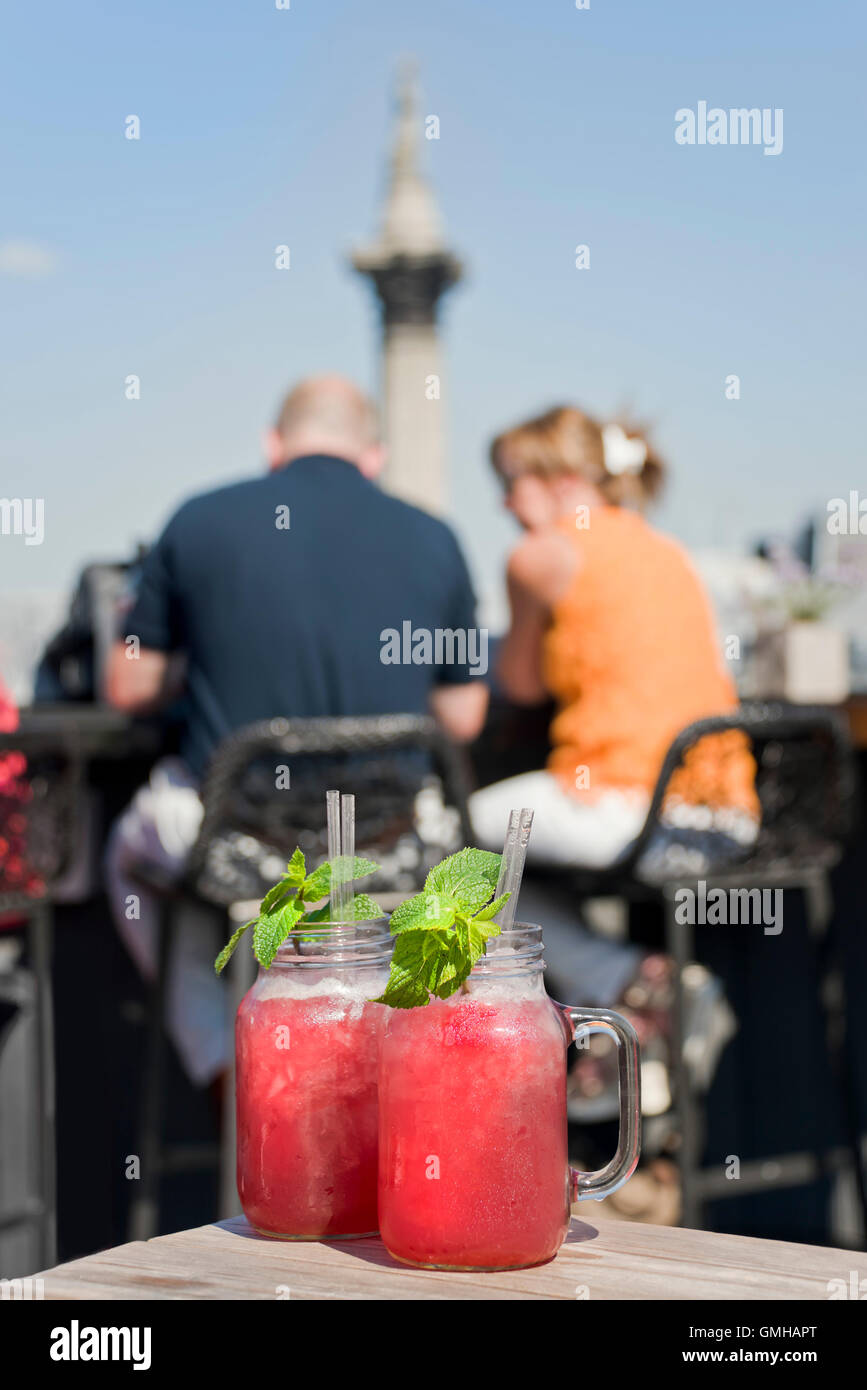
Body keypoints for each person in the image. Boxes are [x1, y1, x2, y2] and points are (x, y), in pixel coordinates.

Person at [104, 375, 488, 1084]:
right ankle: (379, 1083)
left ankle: (226, 1072)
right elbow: (464, 716)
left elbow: (127, 685)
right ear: (372, 455)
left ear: (272, 444)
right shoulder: (436, 535)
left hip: (239, 844)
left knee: (132, 861)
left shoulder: (197, 519)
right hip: (387, 845)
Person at [469, 405, 757, 1111]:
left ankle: (631, 983)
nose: (505, 503)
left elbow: (517, 683)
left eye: (512, 482)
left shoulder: (538, 555)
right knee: (509, 852)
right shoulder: (666, 549)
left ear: (562, 478)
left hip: (632, 805)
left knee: (456, 842)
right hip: (725, 811)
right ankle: (636, 1047)